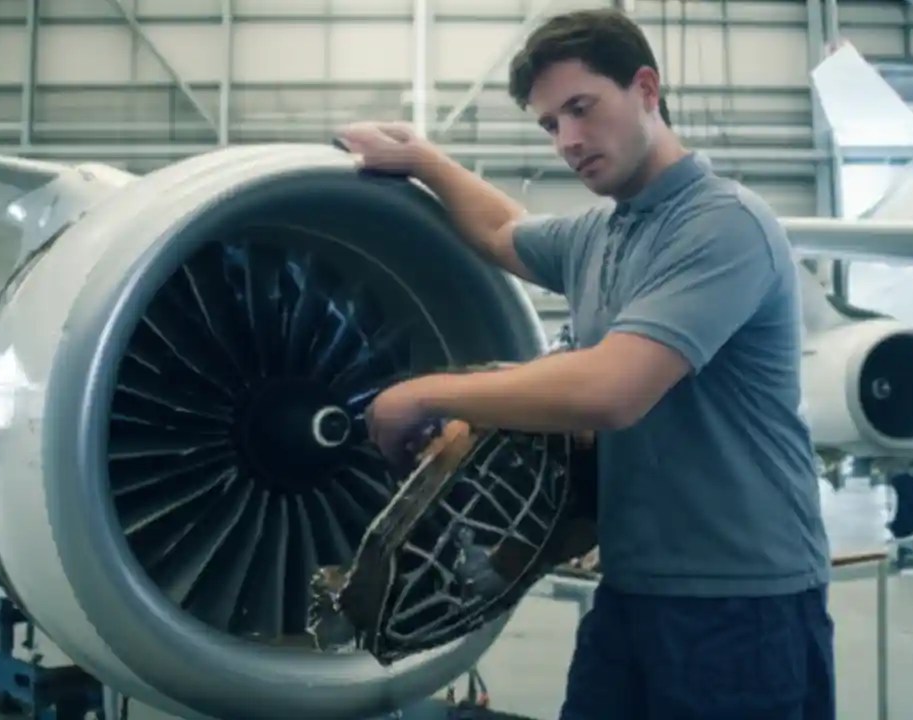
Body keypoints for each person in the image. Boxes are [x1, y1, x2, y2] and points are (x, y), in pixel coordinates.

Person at [336, 8, 834, 719]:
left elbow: (612, 389)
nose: (567, 140)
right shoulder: (602, 234)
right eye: (549, 124)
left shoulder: (724, 224)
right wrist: (424, 161)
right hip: (633, 589)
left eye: (581, 108)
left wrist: (423, 394)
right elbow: (501, 229)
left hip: (744, 605)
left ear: (646, 90)